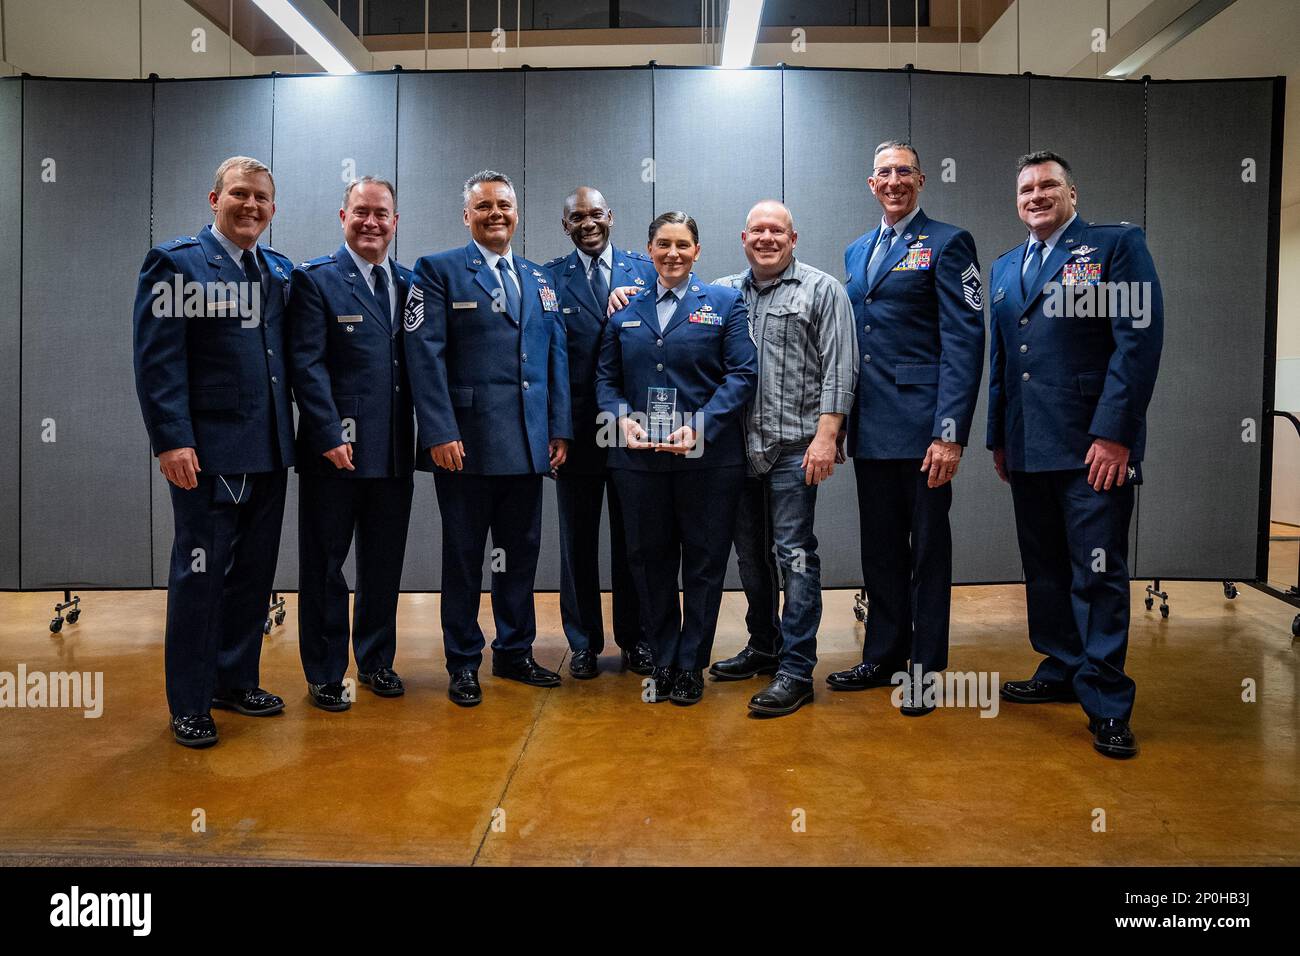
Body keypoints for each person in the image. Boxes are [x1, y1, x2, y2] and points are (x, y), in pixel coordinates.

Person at [988, 150, 1163, 758]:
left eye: (1048, 186)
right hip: (1030, 446)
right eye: (1026, 189)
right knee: (1046, 569)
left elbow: (1136, 344)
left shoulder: (1114, 247)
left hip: (1094, 446)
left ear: (1072, 193)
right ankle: (1061, 666)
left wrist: (1114, 433)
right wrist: (998, 437)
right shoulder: (1006, 267)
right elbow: (1004, 362)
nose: (1035, 196)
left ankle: (1108, 704)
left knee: (1098, 575)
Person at [132, 156, 295, 747]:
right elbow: (158, 362)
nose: (251, 206)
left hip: (270, 450)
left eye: (261, 198)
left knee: (253, 577)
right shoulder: (177, 265)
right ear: (214, 198)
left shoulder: (277, 271)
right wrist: (171, 439)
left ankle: (235, 680)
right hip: (206, 455)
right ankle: (191, 702)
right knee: (200, 579)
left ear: (273, 209)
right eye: (240, 195)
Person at [403, 170, 571, 707]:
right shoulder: (437, 271)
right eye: (484, 206)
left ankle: (516, 650)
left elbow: (555, 358)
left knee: (520, 554)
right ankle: (463, 660)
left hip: (528, 445)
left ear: (516, 213)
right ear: (466, 215)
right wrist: (439, 430)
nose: (495, 213)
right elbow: (423, 355)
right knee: (464, 557)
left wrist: (559, 428)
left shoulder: (539, 278)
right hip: (465, 447)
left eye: (504, 205)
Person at [828, 140, 985, 716]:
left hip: (924, 431)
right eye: (883, 174)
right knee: (882, 549)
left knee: (927, 553)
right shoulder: (857, 250)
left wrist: (950, 432)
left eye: (904, 172)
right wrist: (841, 421)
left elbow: (965, 342)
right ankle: (882, 654)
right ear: (871, 184)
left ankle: (922, 668)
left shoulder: (948, 243)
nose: (893, 182)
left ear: (921, 181)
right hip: (872, 430)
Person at [596, 211, 757, 706]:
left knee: (705, 563)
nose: (672, 253)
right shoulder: (624, 310)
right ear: (649, 251)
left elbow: (742, 374)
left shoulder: (726, 304)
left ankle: (691, 663)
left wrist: (701, 425)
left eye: (683, 244)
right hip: (639, 461)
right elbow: (605, 379)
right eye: (663, 244)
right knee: (649, 560)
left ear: (697, 251)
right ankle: (664, 658)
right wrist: (621, 418)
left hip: (707, 460)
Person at [707, 200, 858, 716]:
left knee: (794, 554)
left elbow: (840, 368)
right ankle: (763, 645)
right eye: (758, 231)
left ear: (794, 238)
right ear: (742, 238)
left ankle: (796, 668)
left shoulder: (822, 290)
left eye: (777, 231)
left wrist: (827, 437)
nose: (767, 238)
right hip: (736, 451)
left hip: (797, 447)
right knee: (750, 556)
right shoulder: (722, 293)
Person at [287, 176, 414, 712]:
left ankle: (377, 661)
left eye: (381, 213)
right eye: (360, 211)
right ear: (343, 216)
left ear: (394, 222)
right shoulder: (315, 280)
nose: (371, 222)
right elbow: (306, 364)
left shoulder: (410, 285)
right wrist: (327, 432)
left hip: (392, 453)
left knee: (383, 565)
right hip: (333, 454)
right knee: (324, 567)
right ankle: (323, 671)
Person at [542, 187, 658, 680]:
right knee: (577, 542)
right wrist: (554, 430)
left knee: (636, 539)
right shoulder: (548, 278)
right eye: (576, 218)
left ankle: (637, 640)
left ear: (611, 216)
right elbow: (545, 358)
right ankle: (584, 641)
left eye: (595, 215)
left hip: (631, 428)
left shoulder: (647, 270)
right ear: (564, 225)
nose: (587, 224)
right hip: (577, 434)